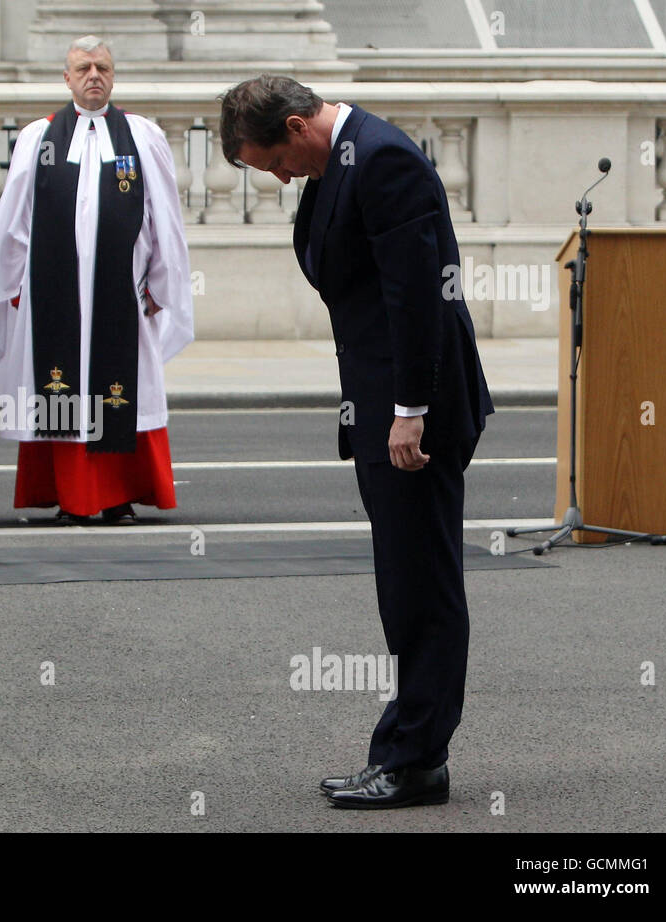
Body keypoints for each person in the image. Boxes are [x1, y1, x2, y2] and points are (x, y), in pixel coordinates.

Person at [220, 75, 493, 808]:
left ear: (300, 125)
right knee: (403, 584)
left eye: (276, 162)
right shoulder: (341, 160)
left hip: (418, 407)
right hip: (383, 400)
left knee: (423, 586)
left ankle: (415, 761)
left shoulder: (381, 160)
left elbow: (416, 296)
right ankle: (408, 747)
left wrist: (409, 409)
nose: (280, 178)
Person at [0, 36, 193, 525]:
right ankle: (72, 495)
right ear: (66, 77)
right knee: (61, 384)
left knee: (120, 390)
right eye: (83, 68)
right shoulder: (37, 136)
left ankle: (117, 496)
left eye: (103, 67)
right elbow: (14, 218)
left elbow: (165, 219)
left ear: (113, 76)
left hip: (124, 292)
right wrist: (8, 283)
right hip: (54, 293)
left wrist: (162, 284)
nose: (94, 75)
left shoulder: (142, 136)